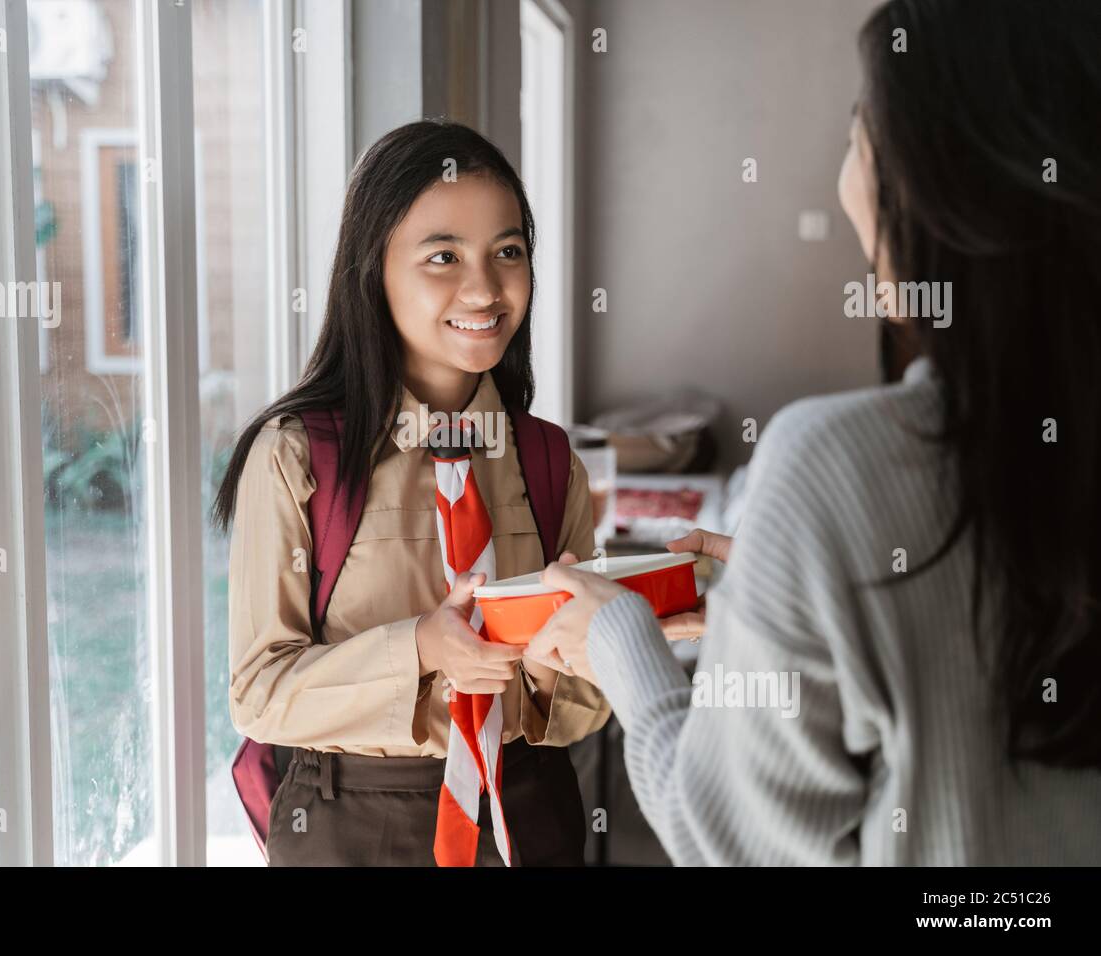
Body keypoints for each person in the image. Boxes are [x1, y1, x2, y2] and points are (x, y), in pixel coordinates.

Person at [525, 0, 1101, 865]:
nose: (845, 177)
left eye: (860, 132)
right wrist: (774, 603)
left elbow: (725, 838)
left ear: (930, 183)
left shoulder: (835, 465)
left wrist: (622, 641)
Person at [212, 121, 611, 866]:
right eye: (443, 256)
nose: (484, 289)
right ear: (374, 271)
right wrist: (421, 647)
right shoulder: (296, 456)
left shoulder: (550, 460)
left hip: (528, 814)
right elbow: (259, 694)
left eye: (508, 251)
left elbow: (580, 711)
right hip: (352, 825)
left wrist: (566, 654)